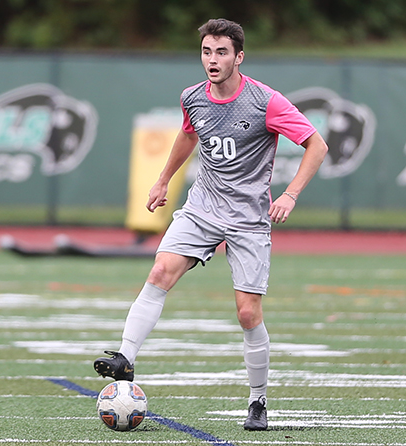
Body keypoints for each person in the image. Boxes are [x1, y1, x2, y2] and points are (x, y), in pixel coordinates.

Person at [94, 18, 328, 431]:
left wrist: (290, 194)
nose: (213, 60)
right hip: (203, 206)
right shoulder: (192, 97)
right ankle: (126, 357)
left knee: (247, 313)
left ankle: (258, 402)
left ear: (239, 56)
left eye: (221, 52)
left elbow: (316, 144)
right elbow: (188, 134)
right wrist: (164, 179)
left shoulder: (266, 102)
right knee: (160, 270)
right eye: (207, 51)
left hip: (249, 218)